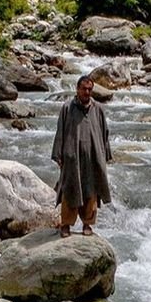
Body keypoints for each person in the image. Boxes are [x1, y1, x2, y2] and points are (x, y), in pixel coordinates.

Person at [51, 74, 112, 237]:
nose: (87, 92)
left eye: (90, 89)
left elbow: (104, 133)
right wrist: (58, 155)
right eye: (84, 89)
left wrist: (105, 155)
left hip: (92, 158)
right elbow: (60, 132)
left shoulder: (98, 109)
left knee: (91, 192)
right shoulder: (67, 108)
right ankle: (66, 225)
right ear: (77, 89)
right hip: (72, 158)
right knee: (69, 189)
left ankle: (87, 224)